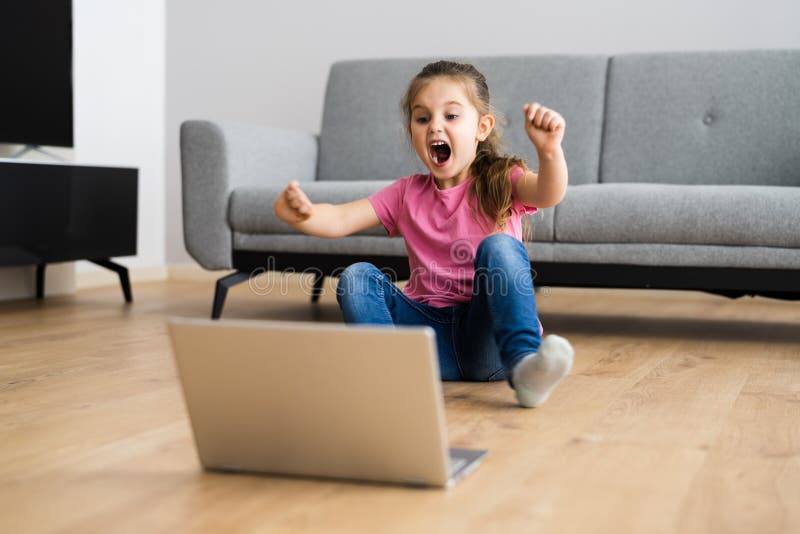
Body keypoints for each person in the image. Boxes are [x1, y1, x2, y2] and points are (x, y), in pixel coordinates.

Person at [274, 60, 574, 408]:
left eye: (450, 116)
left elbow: (549, 193)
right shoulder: (406, 193)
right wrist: (303, 215)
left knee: (500, 247)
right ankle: (391, 373)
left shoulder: (503, 179)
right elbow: (339, 219)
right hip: (427, 345)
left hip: (488, 341)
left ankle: (525, 368)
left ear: (482, 127)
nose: (435, 127)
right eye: (422, 118)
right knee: (358, 276)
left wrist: (549, 152)